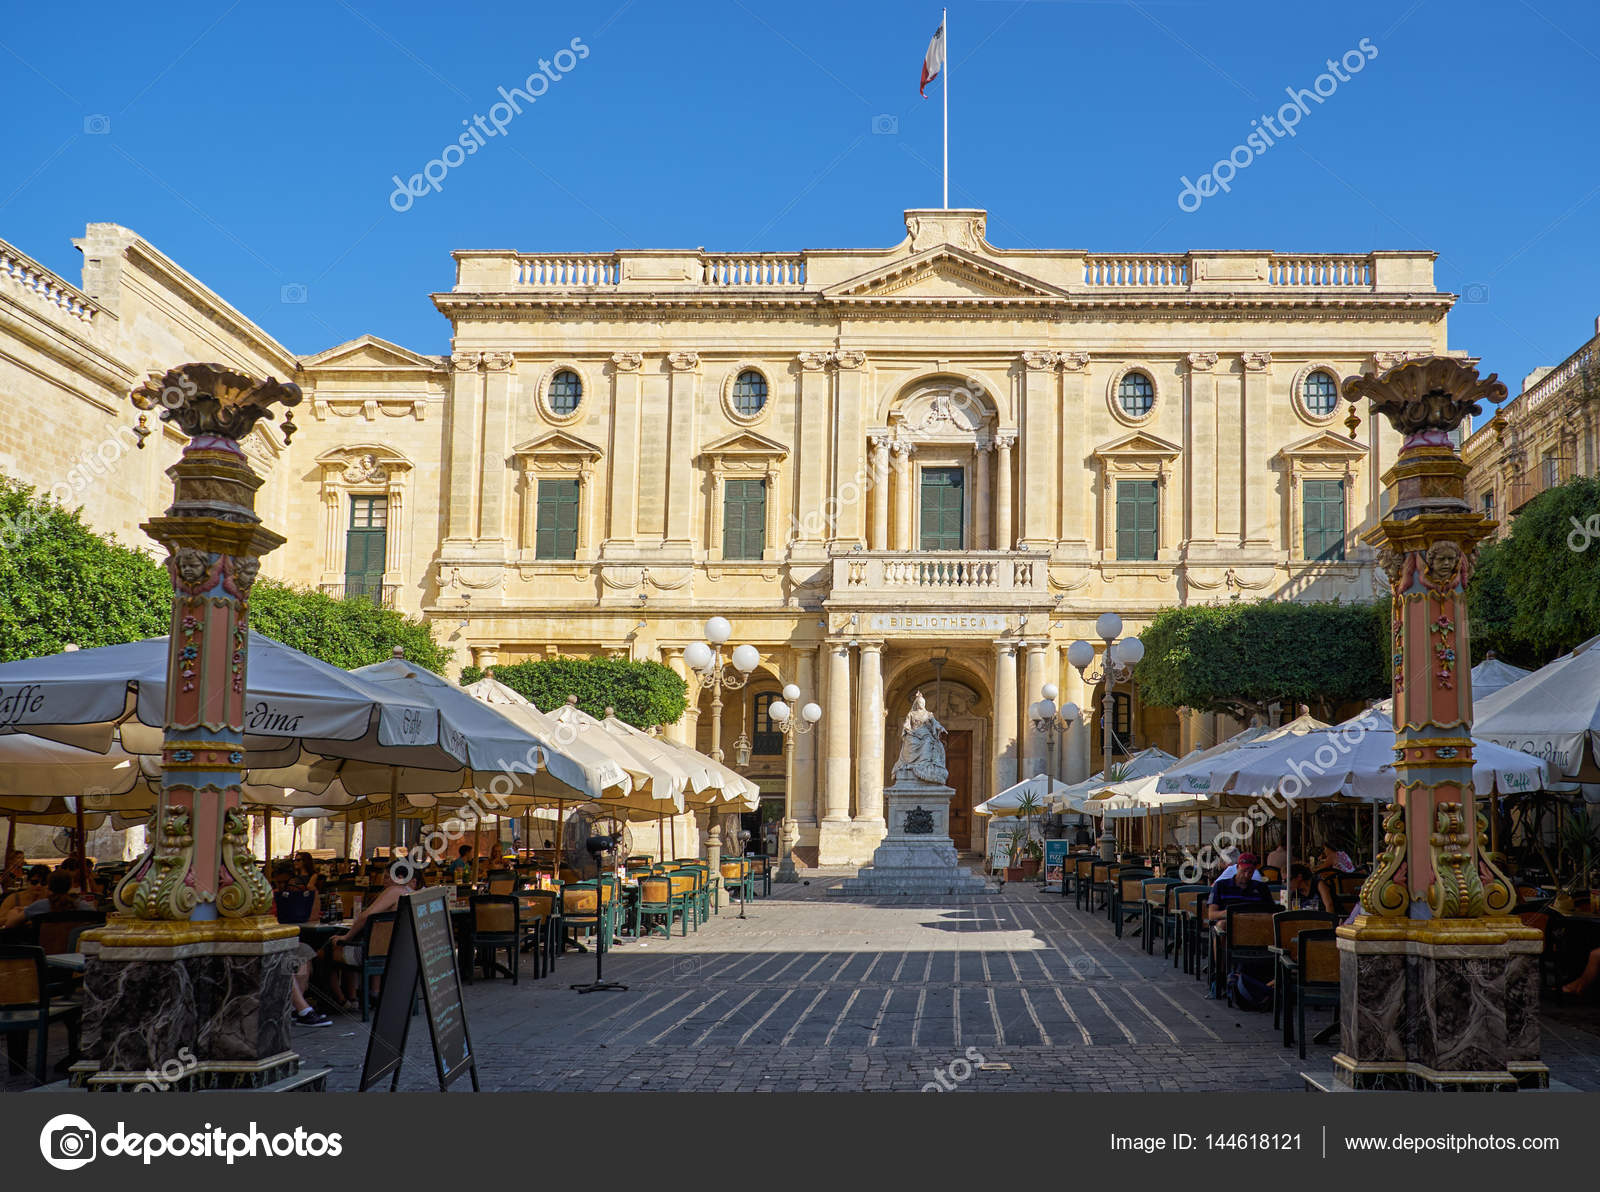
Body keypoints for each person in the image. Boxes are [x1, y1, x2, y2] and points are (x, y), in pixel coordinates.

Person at [324, 868, 414, 1009]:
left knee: (324, 952)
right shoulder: (410, 893)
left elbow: (366, 916)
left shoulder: (393, 892)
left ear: (400, 877)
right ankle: (360, 996)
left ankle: (342, 1001)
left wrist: (347, 936)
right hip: (398, 952)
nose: (383, 882)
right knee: (347, 946)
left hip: (374, 954)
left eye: (386, 878)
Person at [1, 872, 95, 930]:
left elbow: (10, 924)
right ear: (70, 886)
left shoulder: (39, 906)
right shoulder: (83, 906)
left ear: (49, 886)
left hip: (45, 950)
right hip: (74, 951)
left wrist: (14, 911)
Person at [1206, 853, 1271, 921]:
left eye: (1250, 872)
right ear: (1237, 867)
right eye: (1244, 871)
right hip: (1229, 924)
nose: (1246, 875)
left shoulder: (1261, 887)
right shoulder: (1220, 886)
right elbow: (1211, 915)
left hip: (1255, 924)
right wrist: (1231, 914)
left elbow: (1271, 912)